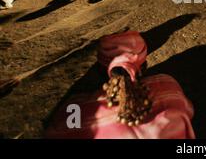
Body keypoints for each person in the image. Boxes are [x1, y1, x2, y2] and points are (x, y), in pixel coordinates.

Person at [44, 31, 195, 139]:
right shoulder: (168, 86)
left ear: (99, 69)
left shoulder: (75, 108)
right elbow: (188, 112)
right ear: (145, 64)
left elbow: (53, 133)